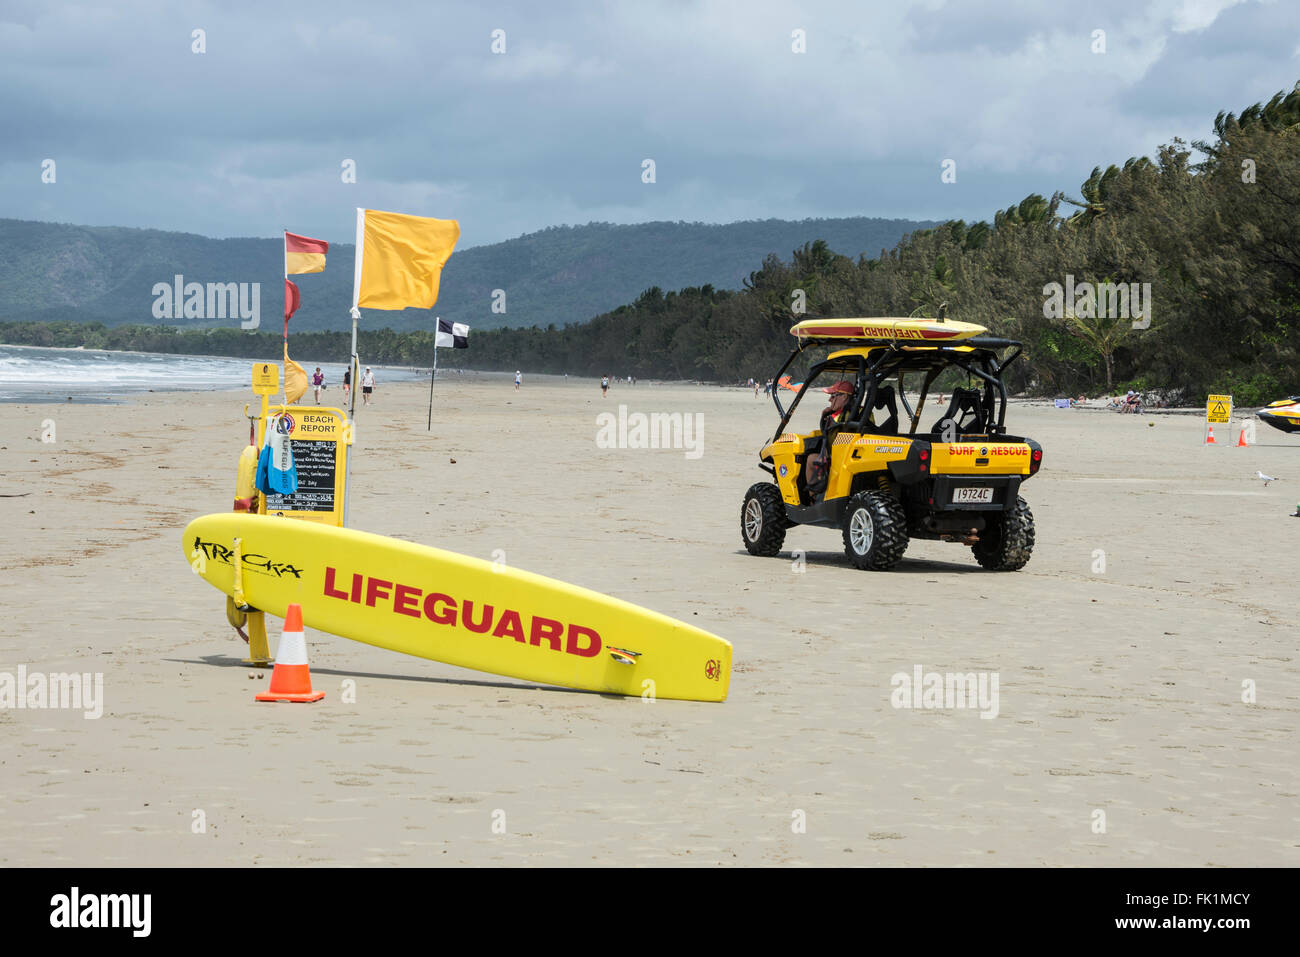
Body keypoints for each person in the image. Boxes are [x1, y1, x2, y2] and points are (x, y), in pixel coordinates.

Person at [805, 380, 854, 493]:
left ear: (844, 396)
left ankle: (813, 498)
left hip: (841, 458)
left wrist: (826, 415)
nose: (830, 400)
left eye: (833, 396)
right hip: (855, 454)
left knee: (810, 459)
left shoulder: (837, 418)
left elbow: (830, 440)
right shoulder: (862, 412)